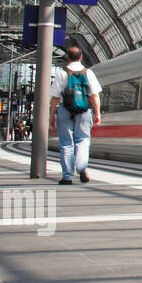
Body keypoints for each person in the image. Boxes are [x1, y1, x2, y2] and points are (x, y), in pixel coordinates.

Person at [49, 46, 102, 185]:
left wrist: (51, 116)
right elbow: (95, 95)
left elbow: (54, 97)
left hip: (64, 110)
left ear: (67, 57)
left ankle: (67, 177)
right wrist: (97, 113)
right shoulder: (88, 72)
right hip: (84, 110)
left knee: (66, 144)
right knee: (83, 140)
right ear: (81, 57)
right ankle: (81, 167)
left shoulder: (61, 73)